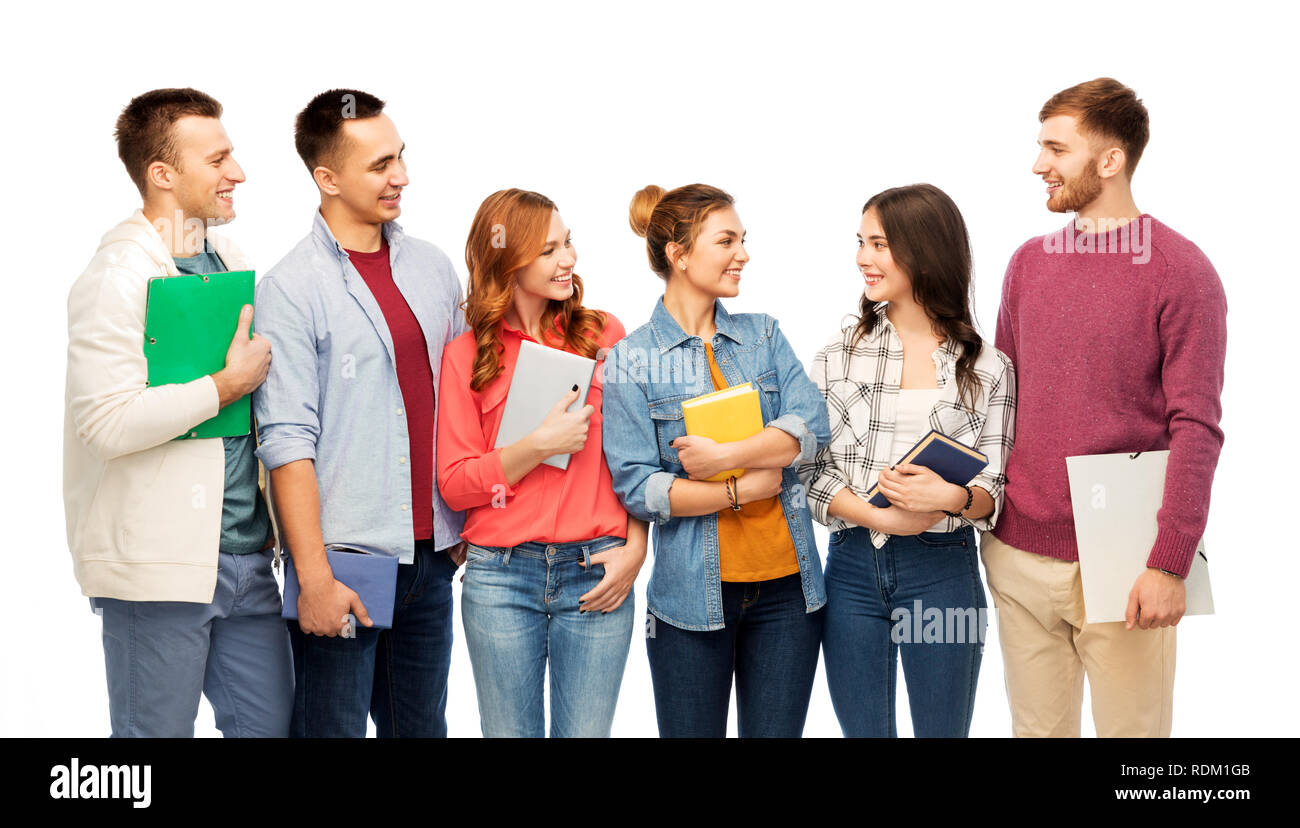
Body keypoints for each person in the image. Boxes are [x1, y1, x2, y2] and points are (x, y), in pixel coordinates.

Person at [986, 78, 1227, 737]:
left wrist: (1168, 561)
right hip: (1017, 552)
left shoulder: (1181, 271)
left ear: (1110, 160)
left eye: (1056, 148)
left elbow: (1196, 428)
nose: (1039, 164)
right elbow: (1002, 401)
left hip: (1123, 563)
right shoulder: (1027, 264)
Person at [64, 88, 291, 737]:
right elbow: (104, 422)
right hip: (162, 572)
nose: (238, 174)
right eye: (218, 159)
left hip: (250, 563)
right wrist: (224, 385)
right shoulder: (115, 277)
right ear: (162, 174)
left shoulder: (232, 262)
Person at [252, 89, 467, 738]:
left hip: (432, 554)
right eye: (379, 165)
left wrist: (464, 530)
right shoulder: (290, 288)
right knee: (331, 727)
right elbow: (287, 441)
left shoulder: (431, 266)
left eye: (400, 157)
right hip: (346, 556)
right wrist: (312, 575)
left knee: (420, 728)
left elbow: (462, 402)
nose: (400, 176)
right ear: (327, 178)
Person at [601, 184, 831, 738]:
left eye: (743, 240)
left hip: (789, 594)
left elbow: (811, 429)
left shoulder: (763, 334)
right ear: (679, 255)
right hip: (688, 601)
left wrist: (725, 456)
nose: (743, 254)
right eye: (726, 240)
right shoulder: (632, 360)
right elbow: (639, 486)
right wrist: (741, 489)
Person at [798, 183, 1016, 737]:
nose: (861, 258)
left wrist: (953, 497)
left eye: (878, 244)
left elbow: (995, 486)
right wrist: (877, 516)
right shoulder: (838, 353)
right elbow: (805, 471)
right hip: (850, 566)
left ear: (923, 250)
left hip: (943, 568)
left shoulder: (989, 367)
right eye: (860, 242)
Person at [436, 189, 648, 737]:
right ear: (507, 259)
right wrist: (537, 444)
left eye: (569, 242)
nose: (569, 259)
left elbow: (637, 457)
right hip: (501, 578)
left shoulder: (604, 334)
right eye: (550, 249)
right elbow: (456, 484)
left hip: (597, 570)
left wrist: (637, 547)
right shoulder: (465, 355)